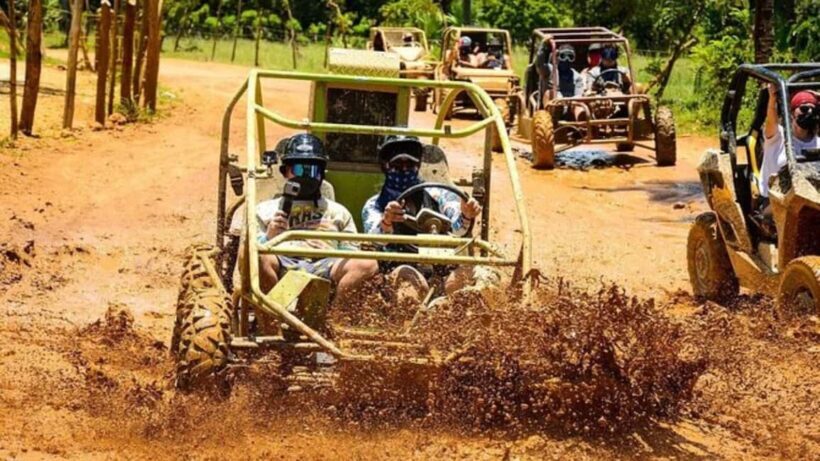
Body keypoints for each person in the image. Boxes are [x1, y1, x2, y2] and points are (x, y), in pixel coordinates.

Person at [256, 133, 378, 300]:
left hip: (327, 265)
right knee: (256, 257)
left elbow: (351, 251)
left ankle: (337, 314)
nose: (305, 176)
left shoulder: (339, 212)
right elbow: (246, 254)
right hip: (281, 261)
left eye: (312, 170)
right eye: (299, 169)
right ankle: (271, 313)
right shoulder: (265, 210)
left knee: (367, 263)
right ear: (285, 172)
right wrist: (268, 237)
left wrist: (332, 249)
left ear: (322, 174)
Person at [361, 135, 482, 299]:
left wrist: (466, 214)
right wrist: (387, 222)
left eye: (410, 165)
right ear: (385, 167)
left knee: (478, 275)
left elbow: (458, 229)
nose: (404, 169)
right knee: (409, 286)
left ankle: (450, 307)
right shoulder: (374, 205)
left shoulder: (438, 195)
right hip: (399, 268)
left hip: (443, 267)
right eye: (397, 165)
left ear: (418, 166)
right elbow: (377, 239)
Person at [759, 85, 819, 198]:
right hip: (775, 199)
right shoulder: (778, 136)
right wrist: (772, 99)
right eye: (804, 109)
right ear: (791, 112)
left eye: (814, 110)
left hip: (810, 200)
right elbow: (772, 120)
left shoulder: (818, 142)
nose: (810, 112)